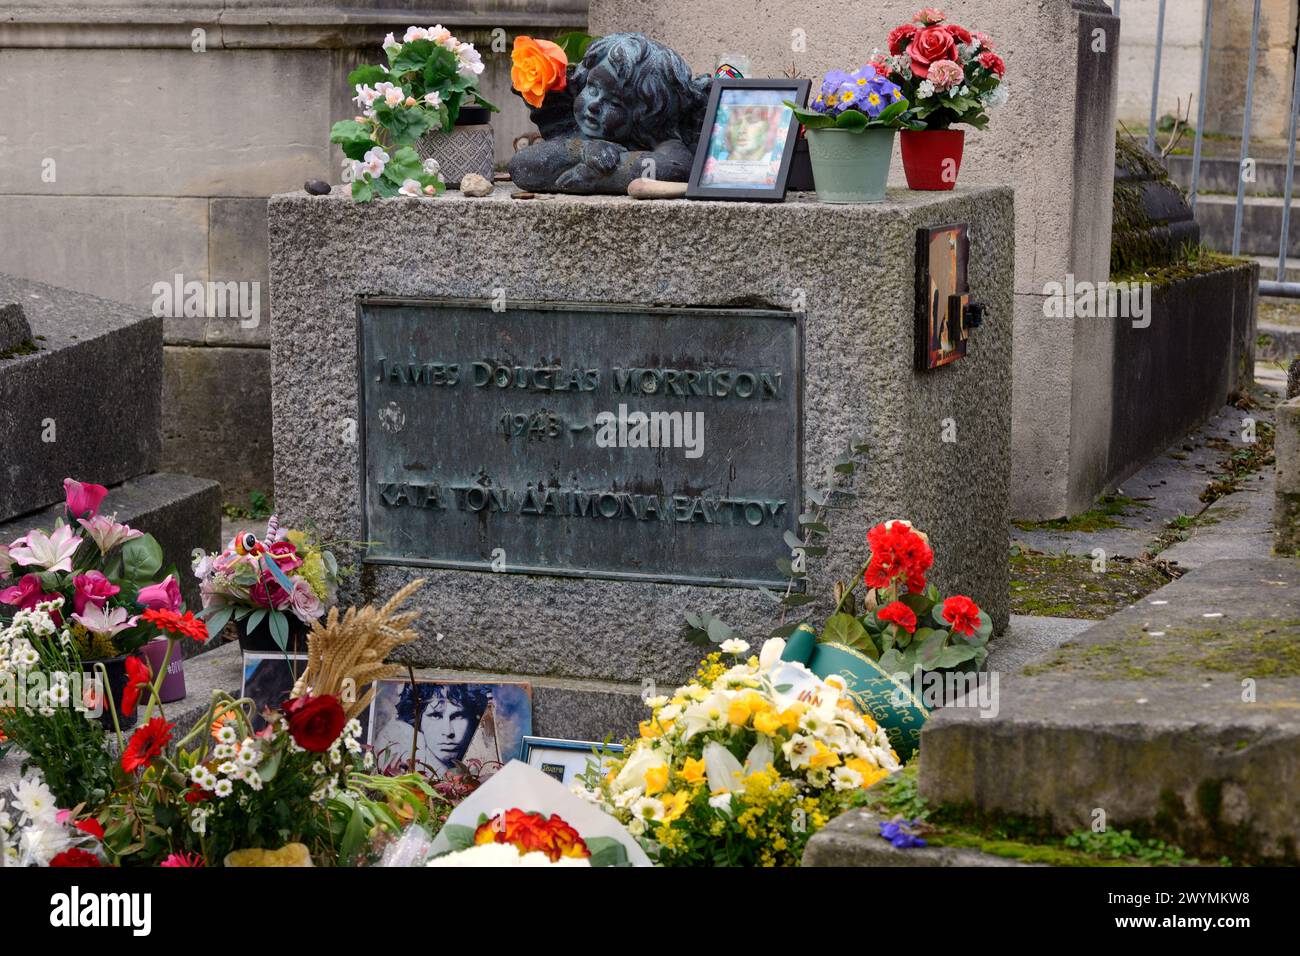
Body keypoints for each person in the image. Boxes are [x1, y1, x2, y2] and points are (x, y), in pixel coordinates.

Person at [373, 683, 493, 776]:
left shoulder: (488, 763)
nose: (448, 731)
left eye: (457, 716)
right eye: (436, 716)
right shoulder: (398, 754)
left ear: (473, 719)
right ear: (418, 721)